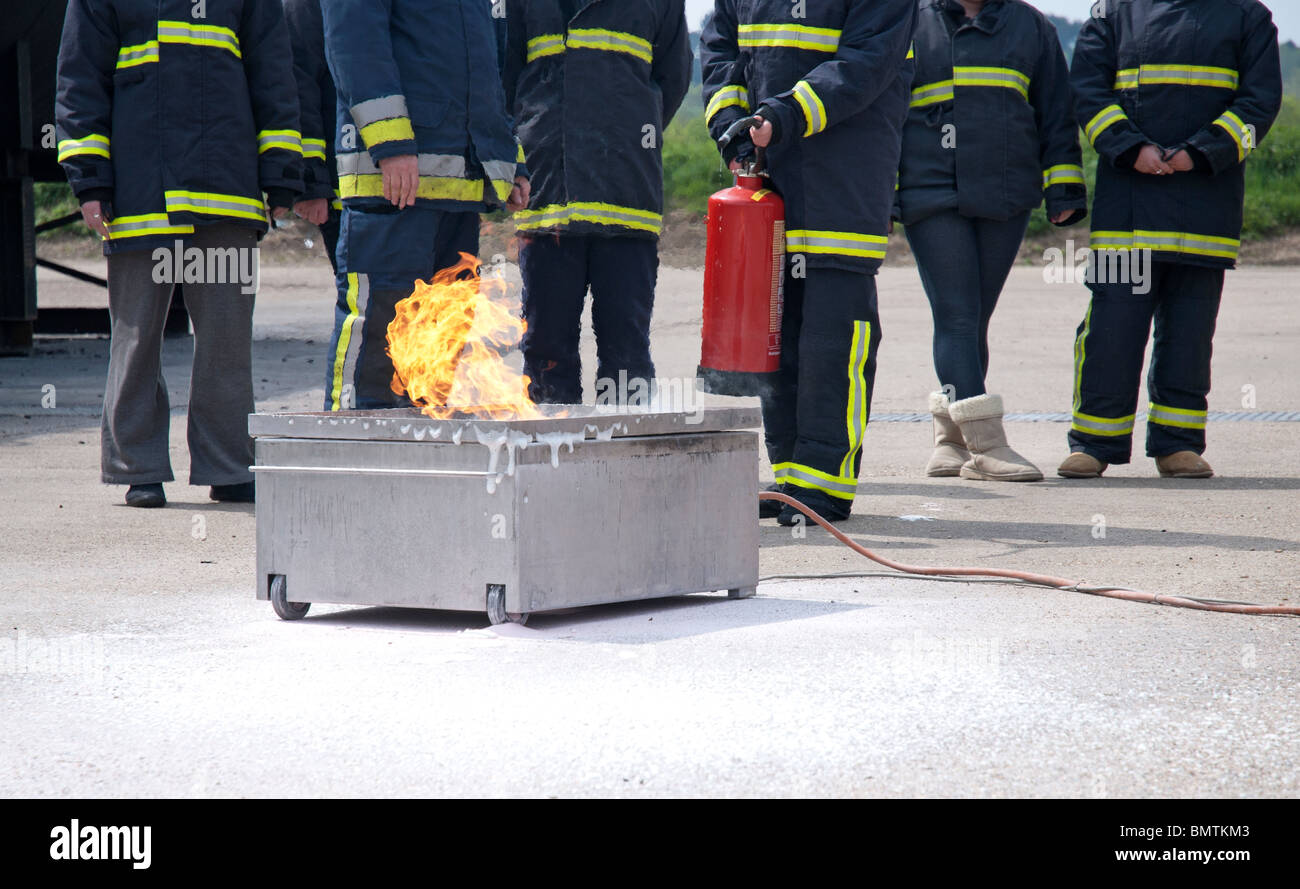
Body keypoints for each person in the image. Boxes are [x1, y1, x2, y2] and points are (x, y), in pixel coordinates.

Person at [56, 0, 304, 508]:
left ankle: (229, 465)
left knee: (226, 340)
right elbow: (80, 77)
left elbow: (274, 73)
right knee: (137, 336)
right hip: (140, 193)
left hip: (225, 196)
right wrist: (89, 178)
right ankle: (139, 467)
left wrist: (280, 170)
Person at [701, 0, 916, 524]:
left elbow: (865, 63)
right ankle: (792, 478)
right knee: (776, 333)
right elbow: (719, 49)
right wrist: (731, 119)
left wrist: (781, 116)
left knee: (831, 338)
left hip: (843, 176)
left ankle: (824, 484)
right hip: (771, 177)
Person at [1060, 0, 1282, 479]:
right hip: (1127, 212)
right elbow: (1087, 92)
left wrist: (1201, 153)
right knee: (1110, 334)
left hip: (1206, 211)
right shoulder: (1113, 11)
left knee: (1188, 337)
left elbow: (1259, 103)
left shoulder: (1248, 15)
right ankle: (1094, 443)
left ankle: (1178, 445)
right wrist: (1129, 147)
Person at [898, 0, 1086, 482]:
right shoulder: (905, 20)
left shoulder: (1031, 27)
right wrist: (880, 191)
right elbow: (883, 108)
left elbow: (1055, 110)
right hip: (930, 188)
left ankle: (950, 438)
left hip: (1006, 191)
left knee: (973, 317)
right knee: (957, 315)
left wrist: (1062, 184)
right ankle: (988, 446)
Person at [320, 0, 528, 411]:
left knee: (439, 344)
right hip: (393, 182)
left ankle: (421, 462)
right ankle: (350, 454)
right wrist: (391, 144)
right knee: (380, 335)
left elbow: (492, 66)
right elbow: (355, 43)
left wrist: (507, 157)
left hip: (458, 189)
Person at [503, 1, 692, 406]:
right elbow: (505, 77)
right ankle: (550, 462)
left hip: (626, 201)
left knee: (627, 354)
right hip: (548, 202)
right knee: (546, 355)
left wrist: (627, 136)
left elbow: (671, 80)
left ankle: (625, 460)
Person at [284, 0, 341, 273]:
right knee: (372, 302)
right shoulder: (302, 7)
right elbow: (298, 92)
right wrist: (310, 185)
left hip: (409, 179)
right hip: (344, 189)